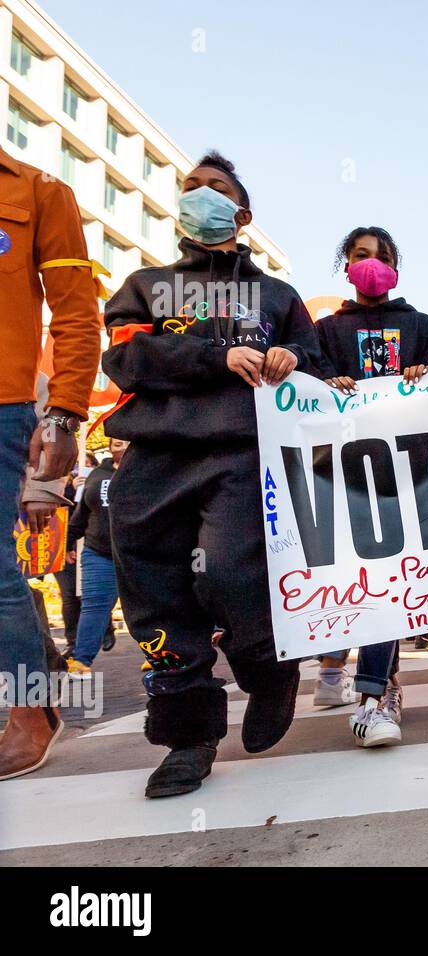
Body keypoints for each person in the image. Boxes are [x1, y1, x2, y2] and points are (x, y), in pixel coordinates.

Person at [101, 152, 322, 797]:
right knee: (153, 592)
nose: (200, 195)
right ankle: (188, 735)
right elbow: (127, 357)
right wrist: (218, 356)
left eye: (216, 188)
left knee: (231, 571)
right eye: (191, 188)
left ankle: (267, 668)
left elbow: (314, 362)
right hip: (152, 458)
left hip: (241, 455)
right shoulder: (145, 284)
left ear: (242, 214)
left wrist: (291, 357)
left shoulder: (278, 297)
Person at [315, 226, 428, 745]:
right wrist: (326, 383)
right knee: (360, 582)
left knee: (390, 580)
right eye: (361, 255)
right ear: (346, 265)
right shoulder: (324, 330)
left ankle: (373, 695)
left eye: (381, 256)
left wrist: (427, 371)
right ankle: (370, 682)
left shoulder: (421, 325)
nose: (371, 263)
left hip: (404, 477)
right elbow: (308, 382)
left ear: (396, 268)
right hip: (343, 477)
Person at [0, 141, 102, 781]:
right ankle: (42, 677)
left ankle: (29, 707)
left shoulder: (38, 191)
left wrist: (63, 411)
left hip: (7, 405)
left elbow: (75, 314)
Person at [64, 438, 127, 678]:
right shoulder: (98, 474)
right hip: (99, 552)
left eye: (127, 443)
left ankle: (159, 657)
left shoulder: (152, 470)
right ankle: (81, 661)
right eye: (117, 443)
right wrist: (68, 542)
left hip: (141, 554)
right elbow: (82, 514)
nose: (121, 448)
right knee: (95, 606)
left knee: (153, 605)